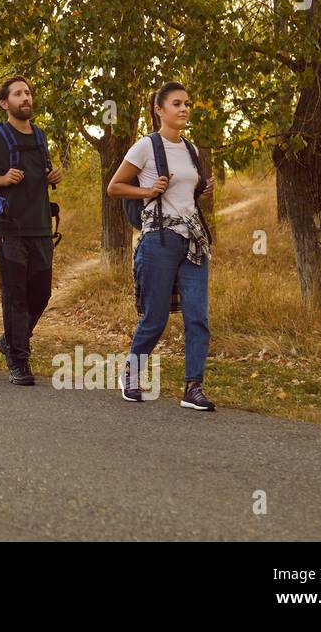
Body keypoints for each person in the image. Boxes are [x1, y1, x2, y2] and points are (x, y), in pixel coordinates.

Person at [106, 81, 217, 410]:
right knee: (155, 317)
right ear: (159, 110)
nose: (184, 109)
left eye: (186, 104)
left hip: (194, 242)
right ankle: (132, 374)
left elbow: (185, 195)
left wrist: (202, 192)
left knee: (198, 316)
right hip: (159, 240)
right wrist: (148, 191)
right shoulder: (145, 147)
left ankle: (193, 387)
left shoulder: (191, 150)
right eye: (176, 104)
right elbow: (115, 187)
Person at [0, 76, 64, 385]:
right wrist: (1, 180)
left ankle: (10, 341)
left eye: (28, 93)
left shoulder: (40, 135)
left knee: (41, 294)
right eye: (18, 94)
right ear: (5, 104)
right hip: (8, 228)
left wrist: (51, 175)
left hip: (41, 227)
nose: (25, 98)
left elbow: (40, 173)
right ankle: (18, 360)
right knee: (15, 296)